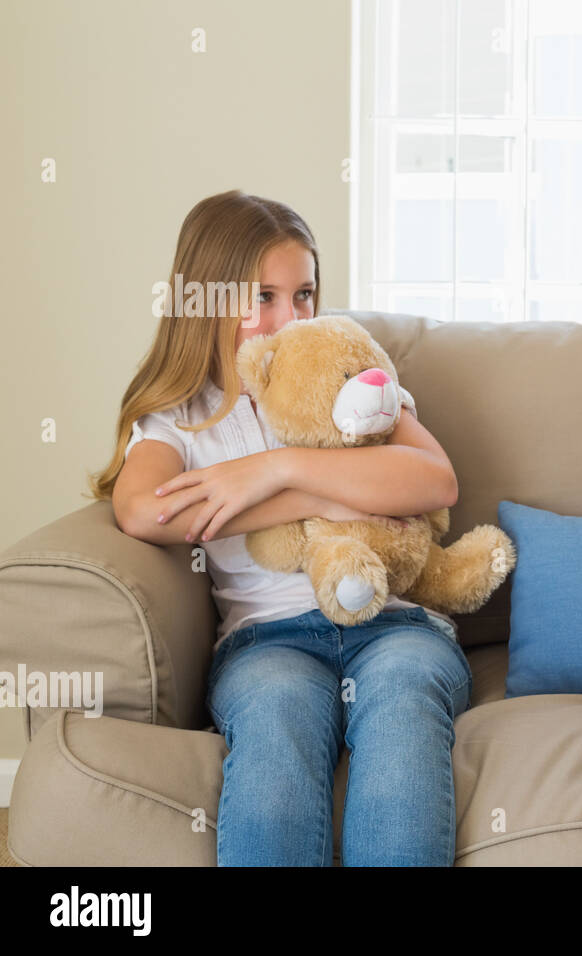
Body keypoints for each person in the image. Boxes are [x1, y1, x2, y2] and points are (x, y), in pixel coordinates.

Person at [92, 190, 473, 866]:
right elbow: (144, 510)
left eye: (303, 295)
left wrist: (275, 469)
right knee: (276, 714)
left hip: (393, 627)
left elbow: (435, 481)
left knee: (405, 694)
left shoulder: (349, 384)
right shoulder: (182, 419)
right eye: (262, 298)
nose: (288, 319)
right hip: (267, 641)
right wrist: (314, 502)